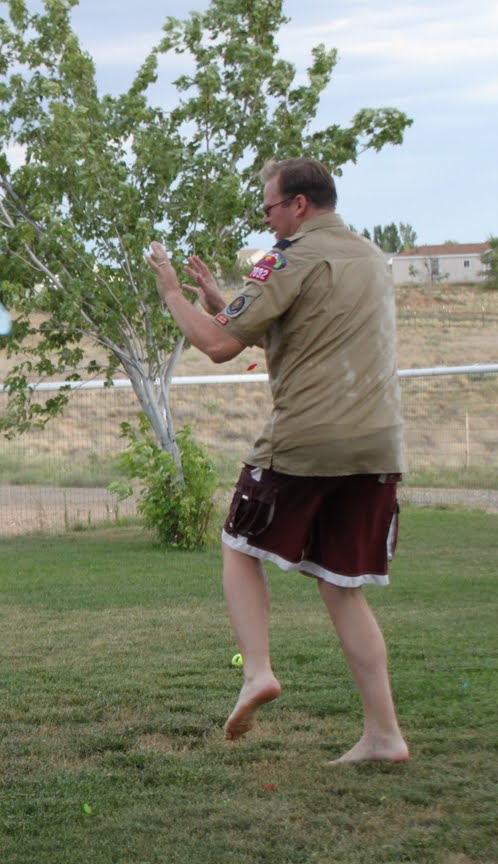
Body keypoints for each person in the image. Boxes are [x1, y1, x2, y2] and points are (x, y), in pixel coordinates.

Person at [147, 157, 410, 765]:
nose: (266, 222)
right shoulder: (370, 256)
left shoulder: (287, 257)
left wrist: (171, 293)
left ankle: (257, 671)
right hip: (377, 444)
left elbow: (216, 345)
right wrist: (222, 299)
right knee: (342, 587)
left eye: (268, 208)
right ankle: (384, 735)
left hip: (309, 437)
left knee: (239, 545)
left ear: (297, 205)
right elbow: (299, 328)